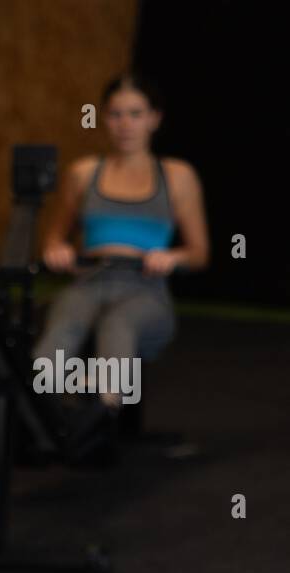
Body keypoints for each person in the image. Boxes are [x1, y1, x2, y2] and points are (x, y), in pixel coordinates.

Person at [34, 73, 209, 460]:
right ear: (103, 118)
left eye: (135, 114)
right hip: (88, 282)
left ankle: (98, 422)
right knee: (60, 333)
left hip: (144, 289)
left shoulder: (177, 176)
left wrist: (173, 257)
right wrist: (57, 250)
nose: (125, 124)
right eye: (115, 114)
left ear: (154, 119)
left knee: (119, 326)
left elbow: (199, 253)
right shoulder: (83, 172)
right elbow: (53, 239)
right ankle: (48, 422)